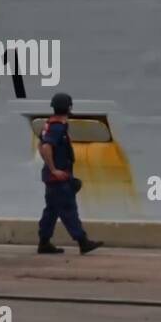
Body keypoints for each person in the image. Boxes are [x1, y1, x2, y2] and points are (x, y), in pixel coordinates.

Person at [37, 92, 104, 255]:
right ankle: (82, 241)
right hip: (59, 178)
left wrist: (49, 168)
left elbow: (41, 145)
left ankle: (44, 242)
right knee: (68, 209)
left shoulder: (50, 125)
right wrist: (54, 169)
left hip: (53, 178)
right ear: (69, 107)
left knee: (51, 210)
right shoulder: (58, 127)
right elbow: (46, 147)